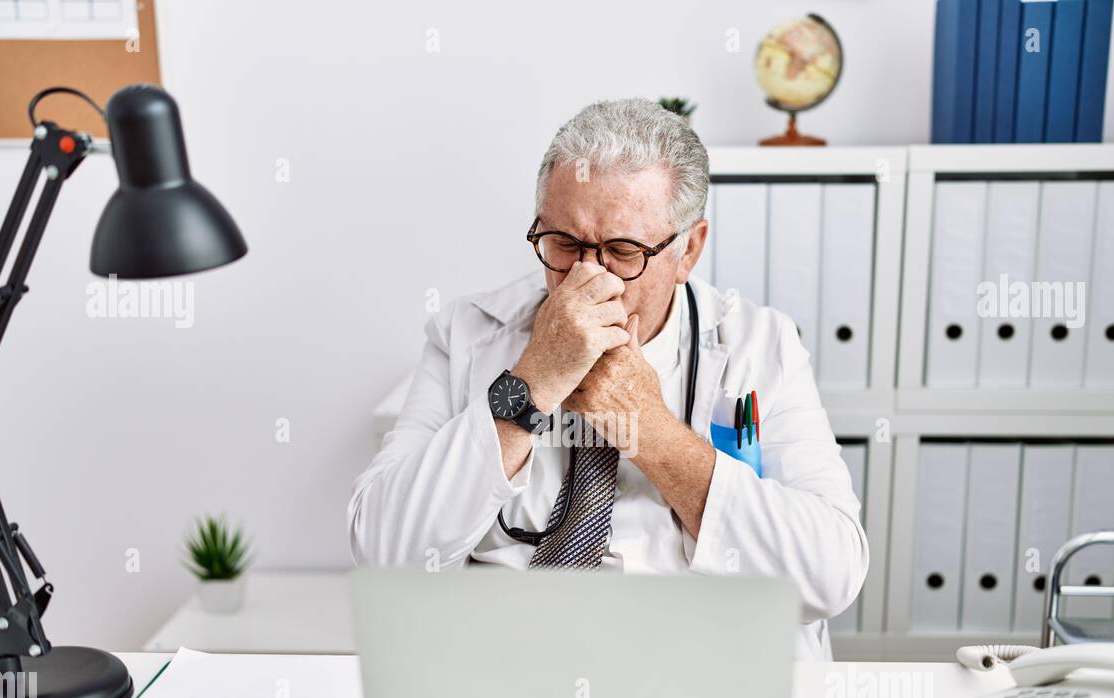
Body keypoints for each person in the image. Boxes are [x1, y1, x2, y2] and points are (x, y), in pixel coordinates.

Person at [348, 98, 867, 660]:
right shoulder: (467, 333)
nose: (588, 275)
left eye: (623, 250)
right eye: (564, 245)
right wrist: (532, 381)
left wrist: (649, 428)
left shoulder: (760, 345)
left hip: (699, 663)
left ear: (689, 248)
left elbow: (830, 575)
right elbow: (385, 552)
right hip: (511, 663)